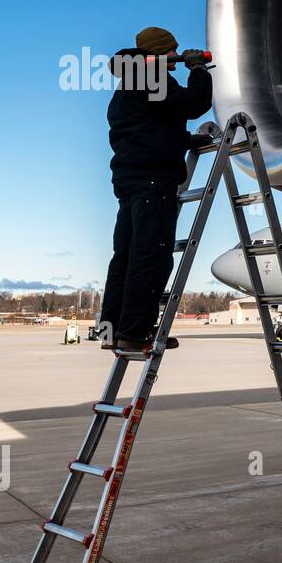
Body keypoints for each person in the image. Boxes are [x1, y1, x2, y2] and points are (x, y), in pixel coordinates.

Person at [98, 26, 213, 353]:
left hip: (129, 181)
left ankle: (112, 331)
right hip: (153, 181)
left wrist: (188, 141)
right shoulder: (152, 77)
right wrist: (199, 69)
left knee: (125, 256)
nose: (177, 55)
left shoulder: (127, 85)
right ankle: (135, 332)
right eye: (173, 50)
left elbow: (149, 130)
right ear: (160, 52)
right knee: (151, 256)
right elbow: (193, 105)